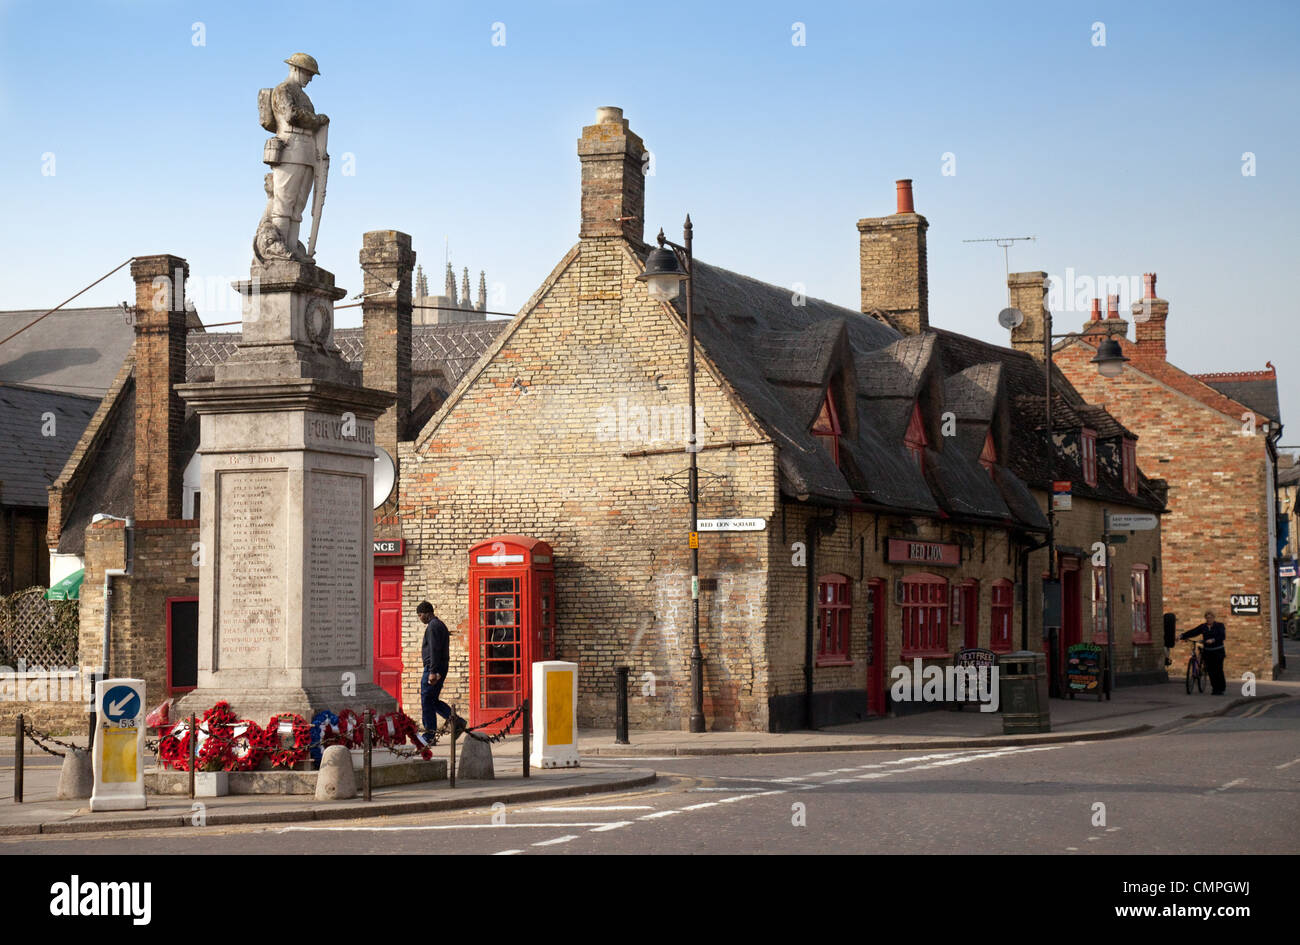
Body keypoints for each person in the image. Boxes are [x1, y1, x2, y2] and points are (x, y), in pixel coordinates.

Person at [418, 601, 466, 733]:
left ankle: (429, 734)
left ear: (427, 613)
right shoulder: (438, 625)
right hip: (439, 668)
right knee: (432, 700)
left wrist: (433, 671)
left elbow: (435, 650)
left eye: (420, 614)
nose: (419, 618)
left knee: (427, 701)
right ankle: (457, 721)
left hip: (432, 669)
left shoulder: (433, 626)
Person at [1180, 610, 1227, 694]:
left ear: (1213, 618)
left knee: (1218, 670)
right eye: (1207, 618)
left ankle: (1221, 688)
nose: (1209, 619)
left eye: (1210, 617)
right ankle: (1215, 688)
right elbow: (1194, 631)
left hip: (1218, 651)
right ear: (1205, 618)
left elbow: (1222, 636)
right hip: (1208, 651)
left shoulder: (1219, 626)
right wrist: (1182, 635)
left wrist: (1213, 640)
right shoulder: (1203, 627)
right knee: (1210, 670)